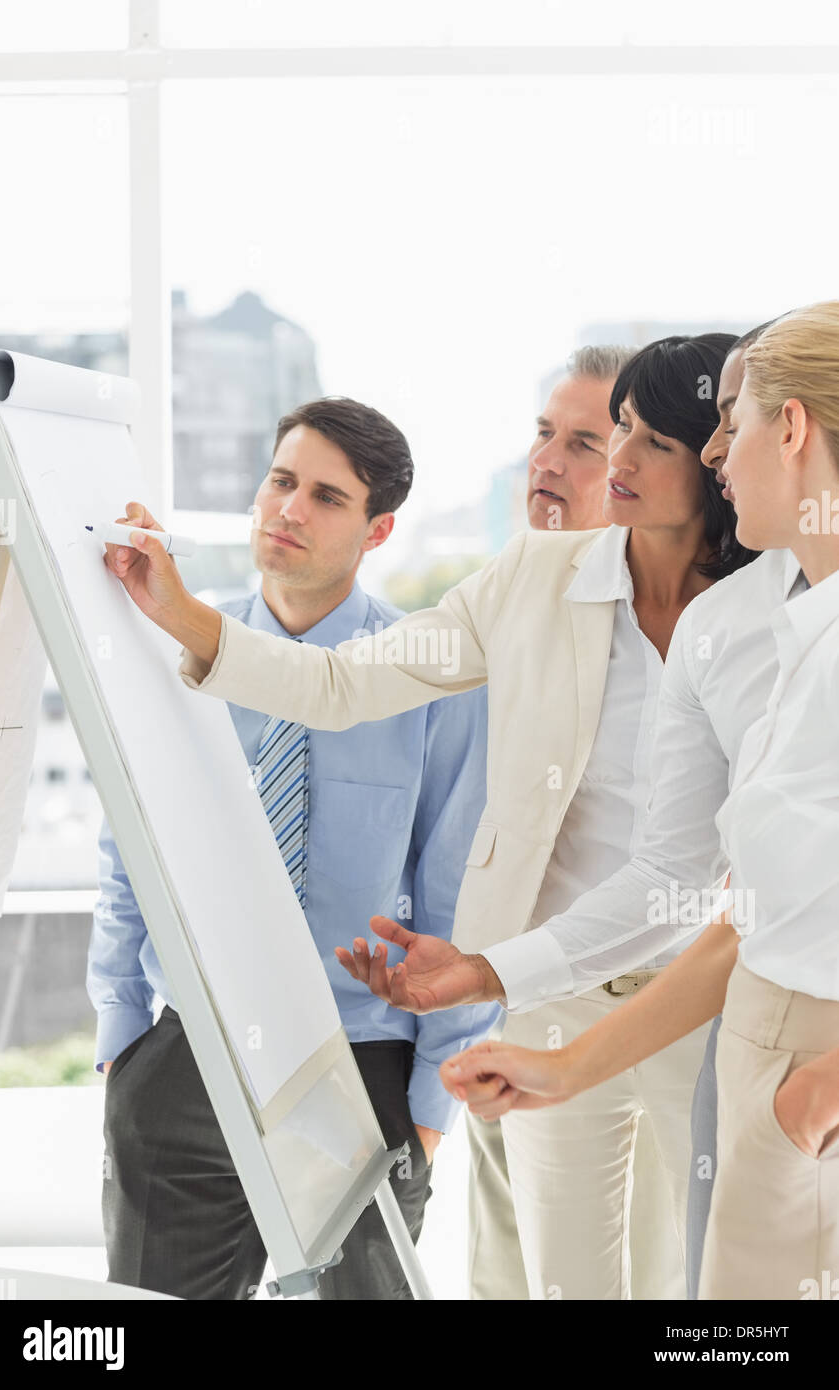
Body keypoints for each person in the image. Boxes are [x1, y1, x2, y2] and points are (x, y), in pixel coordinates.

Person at [101, 333, 751, 1298]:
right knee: (567, 1287)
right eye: (614, 431)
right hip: (551, 997)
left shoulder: (769, 610)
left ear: (714, 461)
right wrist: (186, 615)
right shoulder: (536, 578)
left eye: (647, 442)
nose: (611, 463)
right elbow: (338, 682)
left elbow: (700, 874)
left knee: (720, 1289)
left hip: (710, 995)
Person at [440, 301, 839, 1300]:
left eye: (728, 424)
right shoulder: (790, 637)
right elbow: (736, 918)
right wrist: (568, 1063)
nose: (713, 454)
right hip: (757, 1075)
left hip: (801, 1090)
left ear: (789, 431)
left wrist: (819, 1087)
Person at [87, 396, 494, 1300]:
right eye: (280, 481)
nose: (289, 511)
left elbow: (459, 889)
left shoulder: (433, 673)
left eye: (326, 497)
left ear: (378, 527)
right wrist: (123, 1038)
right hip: (188, 1055)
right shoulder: (171, 645)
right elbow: (126, 850)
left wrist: (429, 1107)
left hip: (363, 1071)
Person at [470, 343, 635, 1302]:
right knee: (503, 1262)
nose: (546, 464)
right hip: (506, 999)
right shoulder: (509, 597)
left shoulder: (691, 630)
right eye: (542, 434)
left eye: (581, 443)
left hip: (625, 1015)